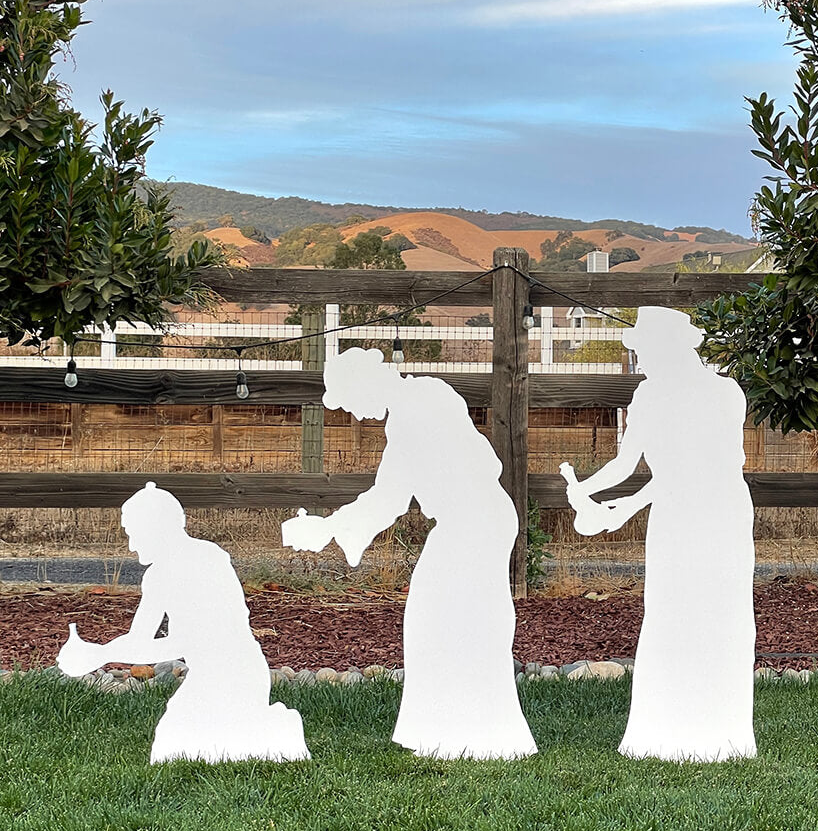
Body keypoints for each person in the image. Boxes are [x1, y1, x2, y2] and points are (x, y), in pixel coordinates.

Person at [282, 347, 536, 760]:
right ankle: (451, 726)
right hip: (473, 518)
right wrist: (330, 528)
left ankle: (472, 728)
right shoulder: (418, 400)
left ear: (365, 384)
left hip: (474, 520)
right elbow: (397, 491)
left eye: (350, 401)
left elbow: (390, 496)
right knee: (444, 619)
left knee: (451, 619)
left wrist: (328, 528)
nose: (354, 414)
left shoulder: (416, 407)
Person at [562, 307, 755, 761]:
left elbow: (704, 467)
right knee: (670, 611)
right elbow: (625, 463)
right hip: (673, 515)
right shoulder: (648, 395)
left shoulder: (723, 393)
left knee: (718, 612)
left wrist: (627, 506)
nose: (642, 360)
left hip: (718, 512)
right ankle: (663, 724)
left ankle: (721, 729)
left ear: (672, 347)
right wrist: (584, 490)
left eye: (646, 350)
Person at [57, 482, 309, 764]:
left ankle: (278, 725)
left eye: (134, 534)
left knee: (183, 746)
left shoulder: (207, 559)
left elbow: (190, 641)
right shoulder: (157, 576)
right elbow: (139, 639)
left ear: (157, 528)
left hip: (236, 672)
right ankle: (263, 725)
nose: (131, 546)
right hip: (208, 673)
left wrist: (100, 655)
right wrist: (96, 653)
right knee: (174, 747)